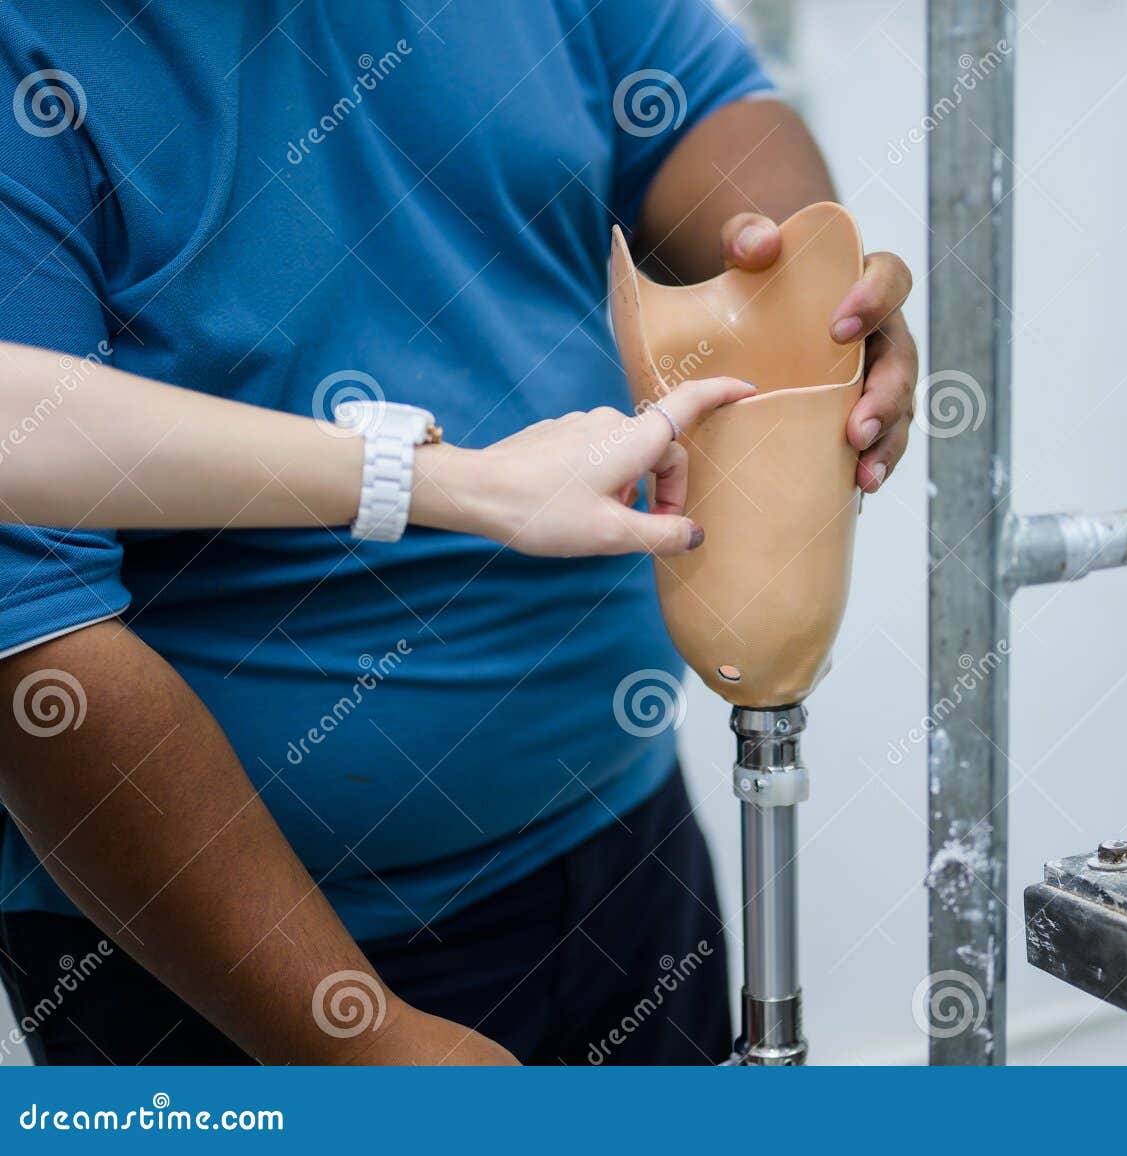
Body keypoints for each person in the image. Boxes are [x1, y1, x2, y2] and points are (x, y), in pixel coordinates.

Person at [0, 1, 916, 1065]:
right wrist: (353, 1039)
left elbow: (700, 106)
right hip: (225, 969)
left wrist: (805, 288)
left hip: (616, 845)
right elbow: (31, 620)